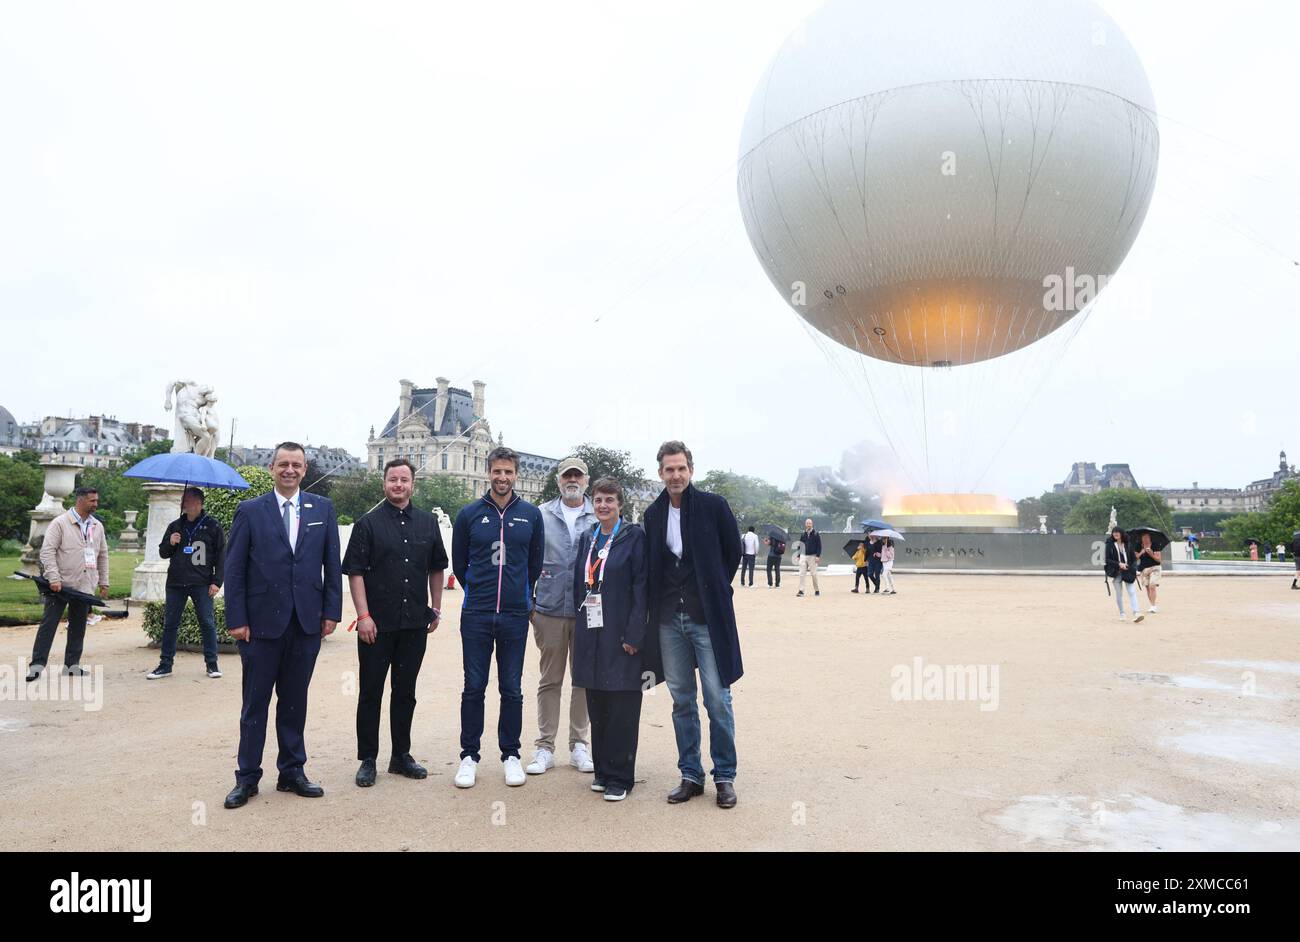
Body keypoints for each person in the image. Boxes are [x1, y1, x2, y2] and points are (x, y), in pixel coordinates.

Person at [222, 442, 342, 809]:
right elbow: (234, 568)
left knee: (294, 702)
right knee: (254, 705)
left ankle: (292, 771)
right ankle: (247, 777)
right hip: (260, 625)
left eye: (297, 465)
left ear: (305, 470)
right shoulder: (250, 510)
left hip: (305, 622)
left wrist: (331, 612)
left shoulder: (322, 508)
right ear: (272, 467)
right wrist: (237, 619)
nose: (290, 470)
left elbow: (332, 564)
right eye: (283, 464)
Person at [643, 441, 742, 809]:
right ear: (660, 473)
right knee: (682, 700)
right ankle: (690, 774)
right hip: (670, 619)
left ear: (691, 470)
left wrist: (714, 590)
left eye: (681, 468)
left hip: (707, 618)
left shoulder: (714, 506)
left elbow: (732, 553)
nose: (676, 475)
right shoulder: (653, 514)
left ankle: (724, 775)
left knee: (718, 699)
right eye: (669, 469)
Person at [342, 459, 448, 788]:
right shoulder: (367, 524)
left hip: (414, 622)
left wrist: (436, 608)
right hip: (376, 624)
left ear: (413, 484)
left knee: (406, 692)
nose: (398, 485)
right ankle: (368, 759)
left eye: (404, 479)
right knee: (370, 692)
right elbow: (355, 572)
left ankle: (401, 755)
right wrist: (363, 616)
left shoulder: (428, 523)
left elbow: (436, 568)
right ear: (384, 483)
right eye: (392, 479)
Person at [450, 446, 545, 789]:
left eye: (508, 472)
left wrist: (519, 594)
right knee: (473, 687)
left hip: (515, 614)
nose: (502, 477)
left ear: (515, 475)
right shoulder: (469, 514)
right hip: (477, 612)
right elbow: (459, 563)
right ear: (488, 472)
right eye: (497, 471)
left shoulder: (531, 515)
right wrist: (479, 591)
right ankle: (469, 756)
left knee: (511, 688)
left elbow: (534, 564)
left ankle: (511, 754)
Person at [571, 478, 647, 801]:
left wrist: (635, 632)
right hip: (592, 629)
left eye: (610, 500)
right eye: (599, 500)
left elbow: (641, 586)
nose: (603, 506)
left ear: (620, 504)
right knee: (597, 700)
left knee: (622, 704)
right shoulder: (588, 537)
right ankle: (602, 770)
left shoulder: (634, 536)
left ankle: (621, 776)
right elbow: (579, 583)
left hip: (621, 630)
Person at [526, 456, 596, 776]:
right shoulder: (540, 515)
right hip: (549, 609)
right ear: (558, 481)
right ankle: (545, 747)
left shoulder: (598, 513)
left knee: (583, 680)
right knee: (550, 680)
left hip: (587, 610)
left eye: (577, 476)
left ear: (586, 481)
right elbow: (526, 559)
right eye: (567, 475)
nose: (572, 480)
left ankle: (579, 744)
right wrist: (530, 604)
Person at [28, 486, 109, 682]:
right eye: (92, 500)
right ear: (80, 500)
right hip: (60, 586)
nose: (96, 504)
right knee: (48, 626)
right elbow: (47, 552)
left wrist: (104, 581)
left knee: (78, 627)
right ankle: (36, 667)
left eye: (96, 500)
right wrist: (53, 578)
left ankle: (72, 666)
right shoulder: (60, 523)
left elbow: (103, 555)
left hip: (85, 585)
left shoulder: (97, 525)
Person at [147, 487, 225, 680]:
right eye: (183, 499)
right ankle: (165, 665)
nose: (183, 502)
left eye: (187, 499)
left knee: (207, 623)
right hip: (176, 583)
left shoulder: (213, 526)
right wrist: (171, 542)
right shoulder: (175, 526)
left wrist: (217, 582)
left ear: (199, 503)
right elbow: (163, 553)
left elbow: (222, 556)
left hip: (201, 583)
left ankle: (212, 664)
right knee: (170, 624)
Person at [1103, 526, 1144, 623]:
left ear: (1121, 533)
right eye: (1114, 532)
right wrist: (1119, 564)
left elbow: (1133, 559)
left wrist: (1131, 568)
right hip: (1116, 572)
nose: (1115, 534)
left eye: (1117, 532)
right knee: (1119, 594)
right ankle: (1122, 613)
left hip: (1128, 571)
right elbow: (1107, 560)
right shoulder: (1109, 545)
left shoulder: (1128, 544)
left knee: (1132, 592)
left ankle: (1137, 612)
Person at [1135, 532, 1162, 615]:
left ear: (1150, 538)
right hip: (1144, 569)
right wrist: (1141, 552)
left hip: (1155, 568)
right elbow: (1135, 558)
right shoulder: (1138, 545)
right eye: (1143, 537)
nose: (1145, 539)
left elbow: (1159, 560)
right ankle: (1152, 605)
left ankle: (1153, 606)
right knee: (1147, 587)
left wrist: (1151, 554)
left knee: (1152, 586)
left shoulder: (1155, 545)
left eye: (1147, 537)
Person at [796, 518, 821, 597]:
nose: (808, 525)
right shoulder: (803, 534)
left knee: (814, 574)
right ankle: (801, 590)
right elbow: (800, 545)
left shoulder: (816, 534)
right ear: (805, 524)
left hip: (812, 556)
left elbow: (819, 546)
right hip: (803, 555)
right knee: (802, 574)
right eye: (807, 523)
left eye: (810, 523)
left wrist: (818, 556)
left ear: (812, 524)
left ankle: (816, 590)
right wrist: (798, 555)